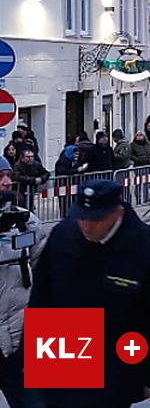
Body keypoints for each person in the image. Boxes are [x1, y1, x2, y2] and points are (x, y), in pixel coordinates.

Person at [30, 179, 150, 408]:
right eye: (82, 217)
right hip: (63, 347)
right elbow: (42, 294)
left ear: (117, 212)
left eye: (95, 220)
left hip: (114, 356)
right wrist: (32, 352)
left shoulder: (146, 246)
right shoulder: (64, 235)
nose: (86, 226)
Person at [0, 156, 48, 408]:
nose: (7, 182)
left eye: (8, 176)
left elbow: (47, 272)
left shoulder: (24, 221)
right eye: (0, 177)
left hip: (21, 337)